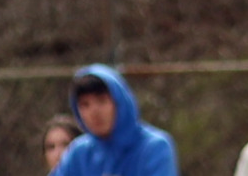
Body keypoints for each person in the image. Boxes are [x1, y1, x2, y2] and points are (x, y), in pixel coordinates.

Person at [50, 64, 178, 176]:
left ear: (119, 103)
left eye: (102, 101)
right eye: (85, 105)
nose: (94, 112)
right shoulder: (80, 153)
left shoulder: (154, 147)